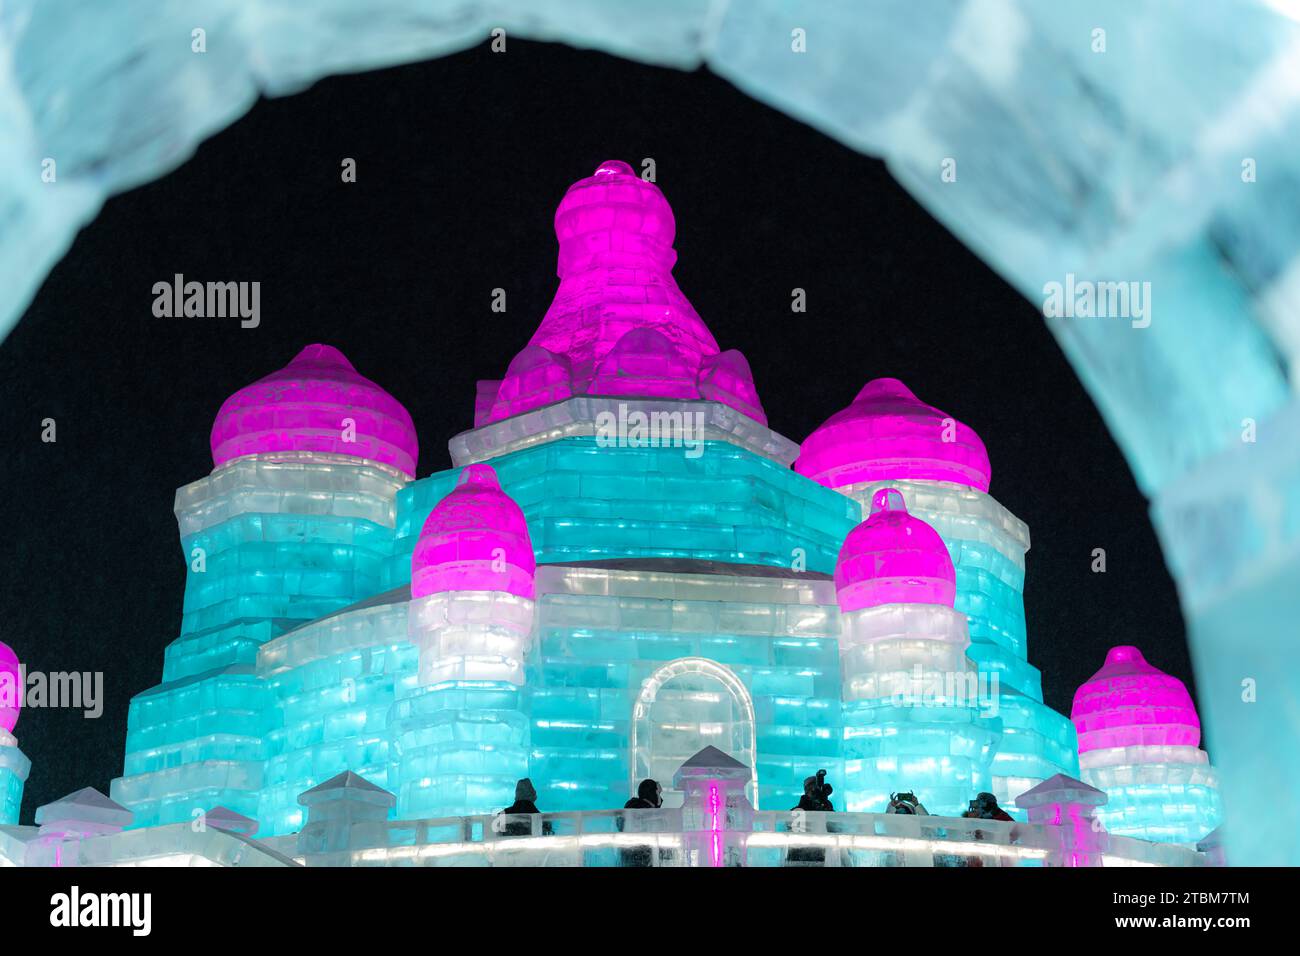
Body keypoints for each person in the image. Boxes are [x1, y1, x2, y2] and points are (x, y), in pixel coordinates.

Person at [786, 769, 835, 865]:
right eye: (809, 789)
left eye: (814, 788)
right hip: (797, 855)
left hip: (821, 854)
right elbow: (789, 822)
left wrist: (823, 802)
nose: (812, 791)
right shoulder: (800, 807)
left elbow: (834, 825)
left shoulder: (825, 804)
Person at [619, 779, 664, 867]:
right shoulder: (640, 808)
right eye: (659, 793)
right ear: (653, 793)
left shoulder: (633, 806)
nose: (660, 798)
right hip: (639, 859)